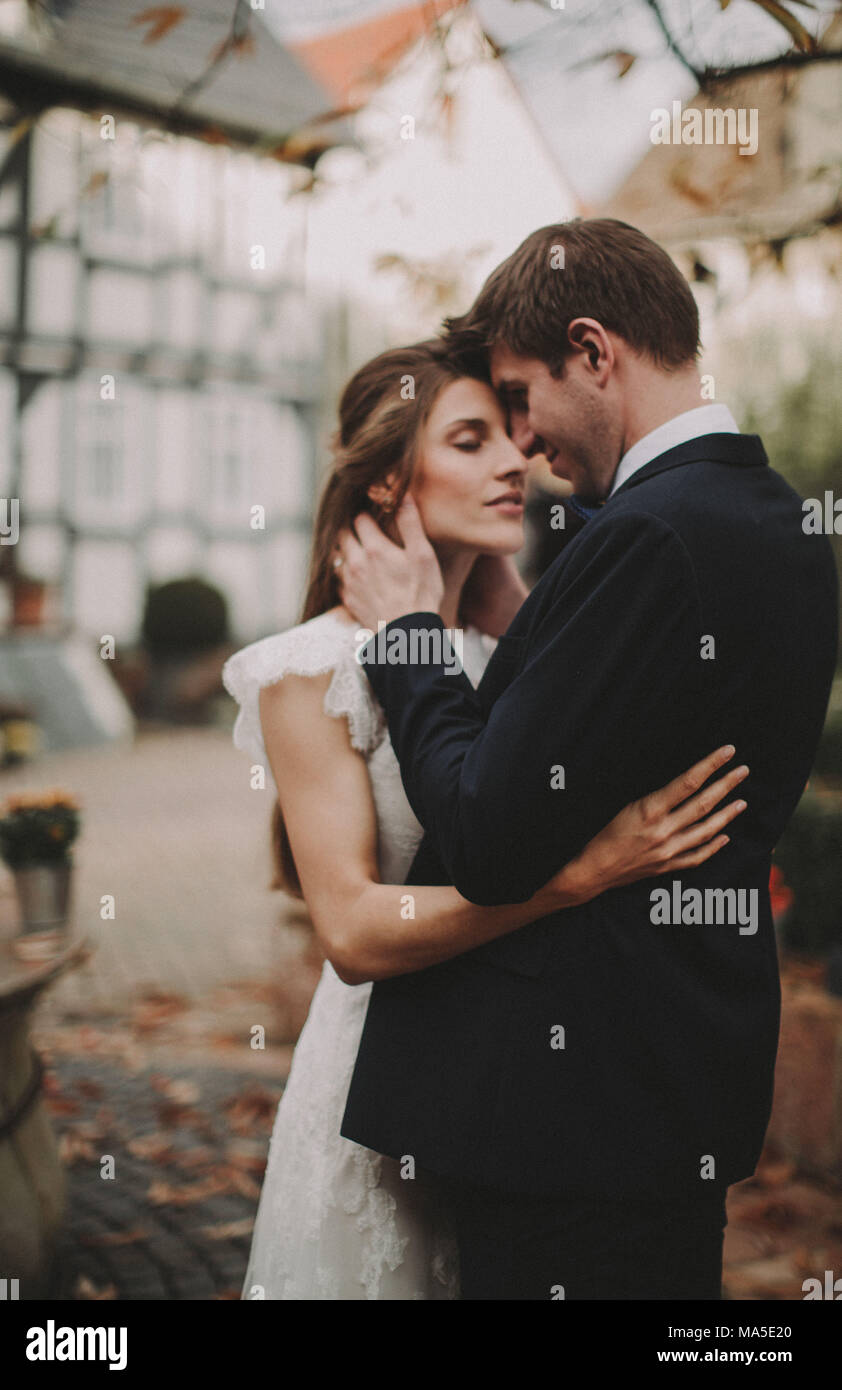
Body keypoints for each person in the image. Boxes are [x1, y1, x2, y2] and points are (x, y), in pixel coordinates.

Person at [336, 219, 839, 1300]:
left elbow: (484, 834)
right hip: (670, 1078)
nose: (522, 446)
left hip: (571, 1110)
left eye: (520, 397)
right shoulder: (785, 523)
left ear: (593, 351)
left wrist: (408, 638)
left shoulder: (648, 534)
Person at [223, 338, 748, 1299]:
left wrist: (502, 614)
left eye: (510, 434)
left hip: (506, 1107)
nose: (514, 459)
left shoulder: (511, 644)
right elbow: (348, 930)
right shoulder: (308, 669)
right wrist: (577, 878)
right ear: (388, 482)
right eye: (471, 441)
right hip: (373, 1094)